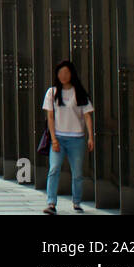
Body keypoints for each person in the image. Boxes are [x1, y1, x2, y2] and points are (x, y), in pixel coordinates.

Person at [43, 60, 95, 214]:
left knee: (77, 172)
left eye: (66, 72)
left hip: (77, 138)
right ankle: (51, 203)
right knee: (54, 169)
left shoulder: (79, 93)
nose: (63, 76)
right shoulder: (52, 93)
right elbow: (50, 117)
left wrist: (90, 137)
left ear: (71, 74)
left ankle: (77, 202)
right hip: (58, 137)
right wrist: (53, 139)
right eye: (60, 73)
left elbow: (87, 116)